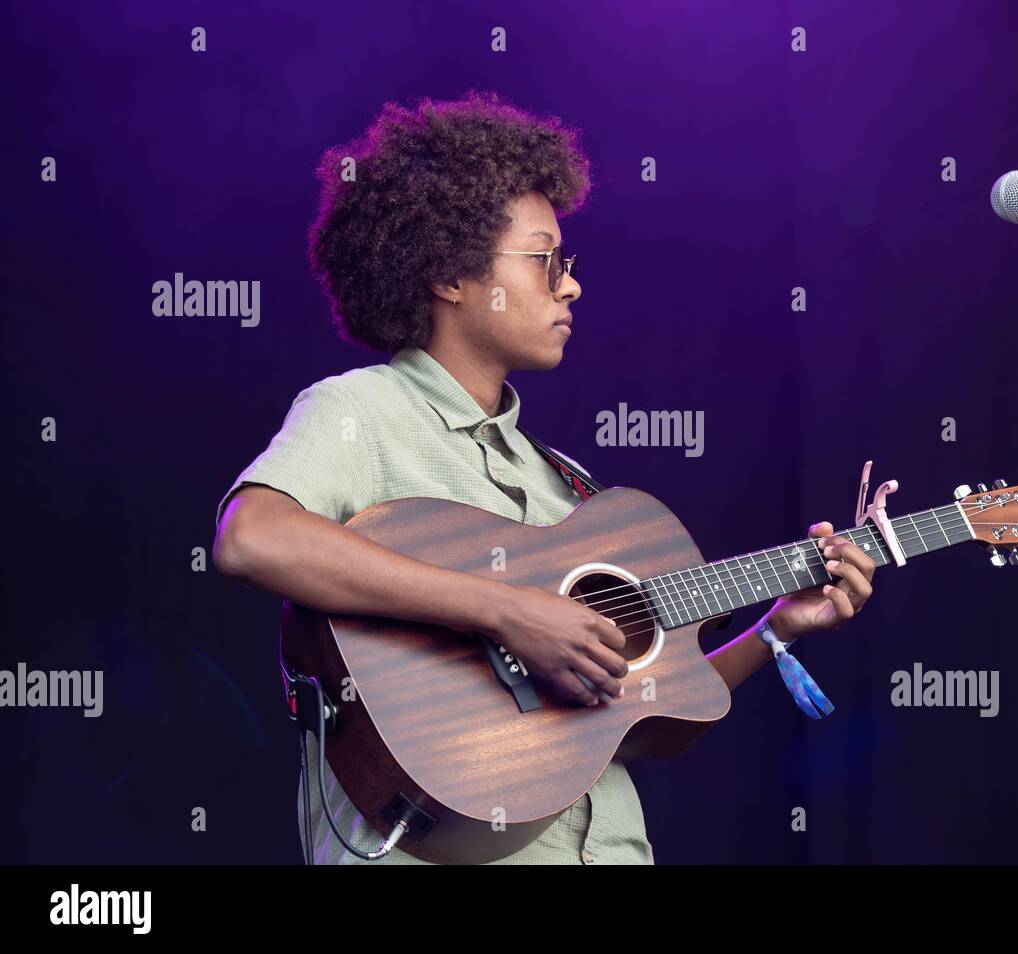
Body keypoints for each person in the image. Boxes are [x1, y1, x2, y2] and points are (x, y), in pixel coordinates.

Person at [212, 90, 875, 865]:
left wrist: (780, 627)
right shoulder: (364, 410)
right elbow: (252, 539)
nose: (571, 286)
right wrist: (506, 611)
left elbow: (637, 717)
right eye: (545, 260)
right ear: (450, 275)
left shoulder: (567, 485)